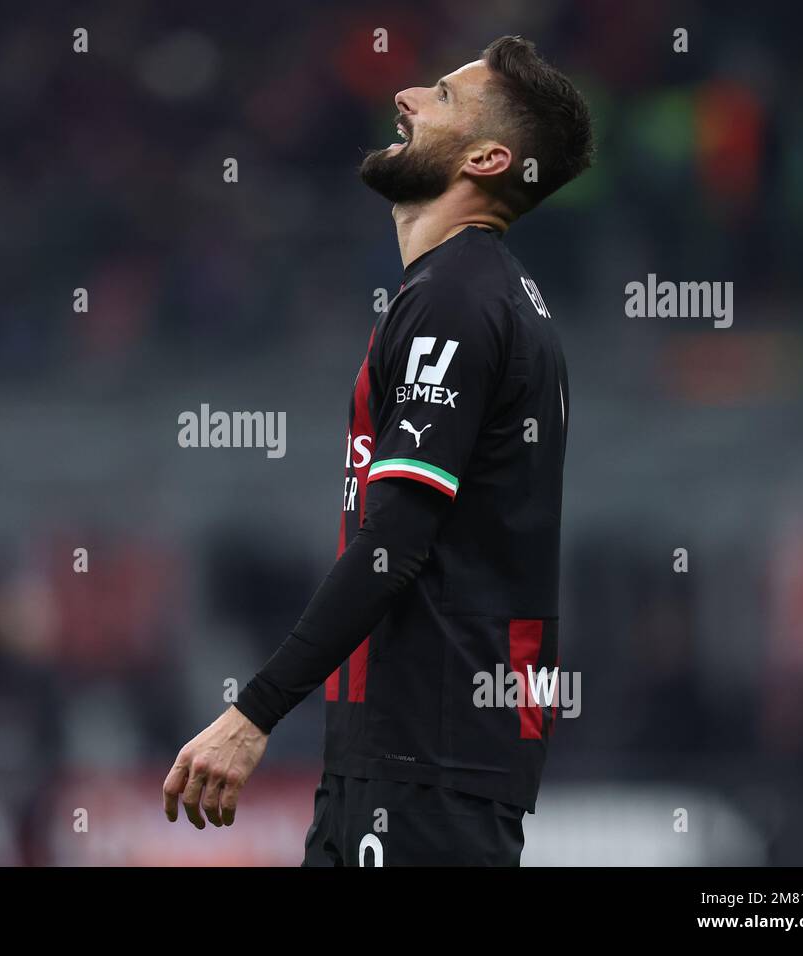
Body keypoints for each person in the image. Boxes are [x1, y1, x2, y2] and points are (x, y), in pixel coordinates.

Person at [163, 35, 594, 865]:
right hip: (412, 760)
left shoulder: (459, 302)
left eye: (439, 94)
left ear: (489, 156)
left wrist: (252, 713)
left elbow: (395, 540)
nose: (405, 94)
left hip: (427, 764)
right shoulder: (479, 296)